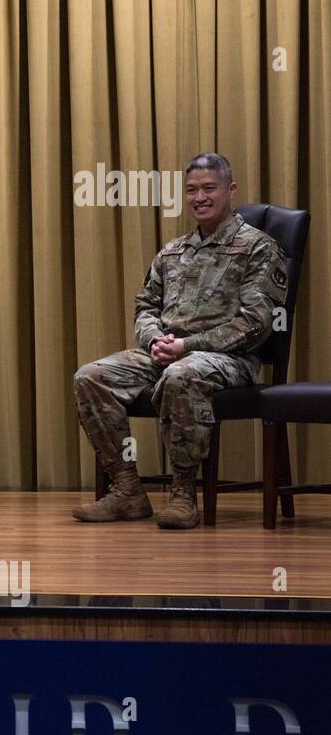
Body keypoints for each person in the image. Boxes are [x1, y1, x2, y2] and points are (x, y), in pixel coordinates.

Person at [72, 152, 288, 530]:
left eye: (209, 188)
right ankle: (127, 491)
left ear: (230, 190)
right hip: (165, 352)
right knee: (90, 377)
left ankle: (184, 493)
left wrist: (187, 347)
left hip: (227, 359)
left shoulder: (257, 247)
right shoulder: (172, 252)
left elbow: (257, 323)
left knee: (182, 374)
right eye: (191, 190)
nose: (199, 197)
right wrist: (154, 339)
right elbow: (145, 306)